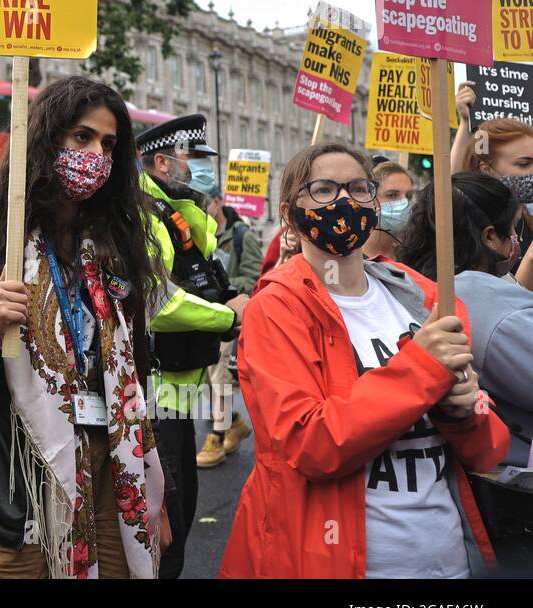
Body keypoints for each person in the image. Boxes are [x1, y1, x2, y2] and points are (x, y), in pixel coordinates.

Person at [220, 142, 509, 578]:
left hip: (448, 558)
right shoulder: (275, 308)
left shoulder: (423, 296)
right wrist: (423, 370)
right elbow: (311, 444)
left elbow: (488, 450)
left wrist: (465, 413)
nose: (343, 201)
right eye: (323, 189)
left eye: (358, 188)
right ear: (289, 211)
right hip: (345, 562)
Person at [0, 76, 166, 579]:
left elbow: (138, 372)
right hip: (20, 483)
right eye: (82, 137)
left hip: (113, 472)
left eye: (109, 145)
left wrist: (156, 483)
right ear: (47, 142)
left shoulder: (116, 250)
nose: (97, 156)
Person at [398, 172, 533, 573]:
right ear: (490, 237)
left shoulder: (416, 282)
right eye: (512, 233)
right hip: (508, 492)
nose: (514, 244)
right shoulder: (479, 295)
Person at [136, 114, 250, 578]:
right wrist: (229, 315)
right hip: (154, 395)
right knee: (166, 522)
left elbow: (200, 278)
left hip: (180, 392)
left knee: (179, 516)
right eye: (195, 159)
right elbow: (160, 303)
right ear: (163, 162)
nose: (203, 169)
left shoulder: (176, 211)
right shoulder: (145, 214)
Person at [198, 203, 262, 468]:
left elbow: (253, 275)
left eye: (203, 205)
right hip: (205, 317)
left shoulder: (241, 235)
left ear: (215, 203)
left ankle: (217, 434)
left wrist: (226, 292)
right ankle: (234, 421)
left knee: (220, 377)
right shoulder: (199, 232)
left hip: (231, 317)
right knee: (206, 381)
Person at [453, 86, 533, 288]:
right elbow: (450, 183)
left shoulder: (526, 213)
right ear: (487, 171)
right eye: (523, 164)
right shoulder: (470, 223)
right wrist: (464, 122)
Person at [362, 160, 415, 261]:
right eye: (392, 195)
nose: (404, 203)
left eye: (408, 196)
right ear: (370, 199)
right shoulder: (351, 259)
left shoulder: (410, 258)